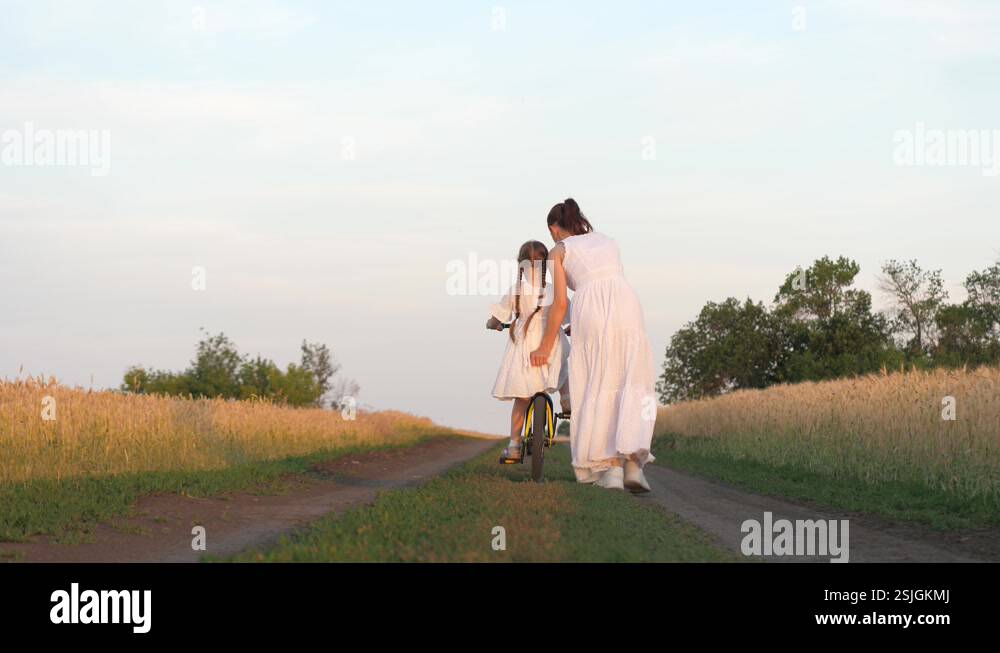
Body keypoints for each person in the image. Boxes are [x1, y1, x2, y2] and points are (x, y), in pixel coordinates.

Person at [529, 199, 655, 492]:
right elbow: (607, 280)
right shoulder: (608, 241)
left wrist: (545, 347)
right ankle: (634, 466)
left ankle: (609, 469)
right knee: (631, 380)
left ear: (554, 229)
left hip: (590, 307)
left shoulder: (557, 251)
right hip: (626, 302)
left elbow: (560, 303)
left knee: (599, 382)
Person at [487, 240, 571, 462]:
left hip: (524, 347)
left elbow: (499, 316)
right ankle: (566, 399)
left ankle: (514, 445)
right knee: (561, 364)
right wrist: (570, 327)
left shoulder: (516, 291)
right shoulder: (554, 290)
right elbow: (567, 315)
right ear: (546, 266)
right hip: (550, 341)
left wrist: (492, 323)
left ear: (520, 265)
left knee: (522, 399)